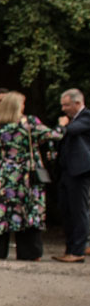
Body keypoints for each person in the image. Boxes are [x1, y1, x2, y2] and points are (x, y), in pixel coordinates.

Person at [0, 91, 52, 261]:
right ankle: (29, 251)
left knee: (2, 211)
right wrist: (62, 125)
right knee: (28, 210)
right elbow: (53, 135)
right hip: (26, 173)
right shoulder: (30, 123)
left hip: (5, 173)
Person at [54, 88, 89, 263]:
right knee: (66, 210)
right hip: (66, 171)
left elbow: (72, 130)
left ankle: (78, 250)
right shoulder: (72, 120)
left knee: (79, 211)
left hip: (80, 171)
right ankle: (69, 248)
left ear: (77, 103)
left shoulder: (86, 117)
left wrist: (62, 124)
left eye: (66, 105)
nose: (63, 109)